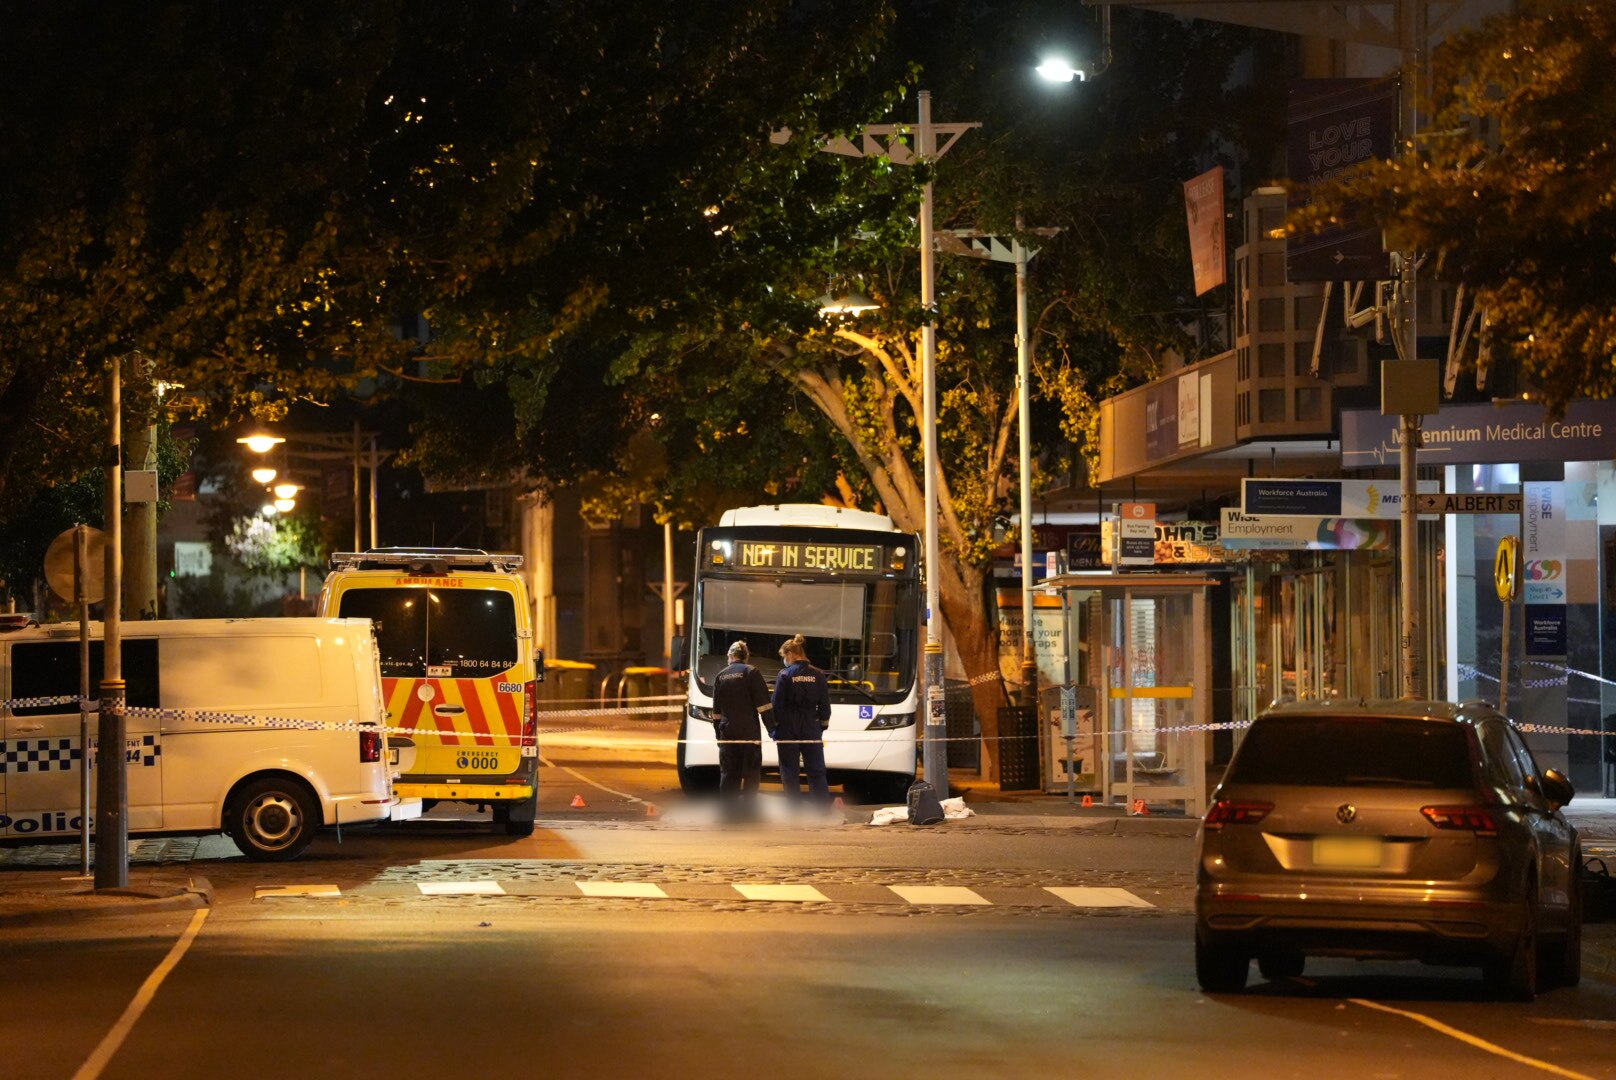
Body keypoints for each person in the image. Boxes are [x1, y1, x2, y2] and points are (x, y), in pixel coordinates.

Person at [711, 640, 772, 819]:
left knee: (729, 772)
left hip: (727, 731)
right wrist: (772, 728)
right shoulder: (751, 672)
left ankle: (727, 812)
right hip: (749, 732)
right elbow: (764, 705)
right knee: (751, 772)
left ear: (729, 657)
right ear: (746, 656)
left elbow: (716, 712)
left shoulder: (720, 676)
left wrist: (718, 734)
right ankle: (749, 812)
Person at [770, 633, 832, 806]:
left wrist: (774, 728)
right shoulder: (818, 675)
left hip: (787, 728)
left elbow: (776, 705)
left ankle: (794, 809)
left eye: (784, 656)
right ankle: (822, 809)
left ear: (790, 654)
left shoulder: (784, 675)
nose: (784, 660)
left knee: (790, 771)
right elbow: (825, 706)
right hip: (811, 728)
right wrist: (821, 726)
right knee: (816, 770)